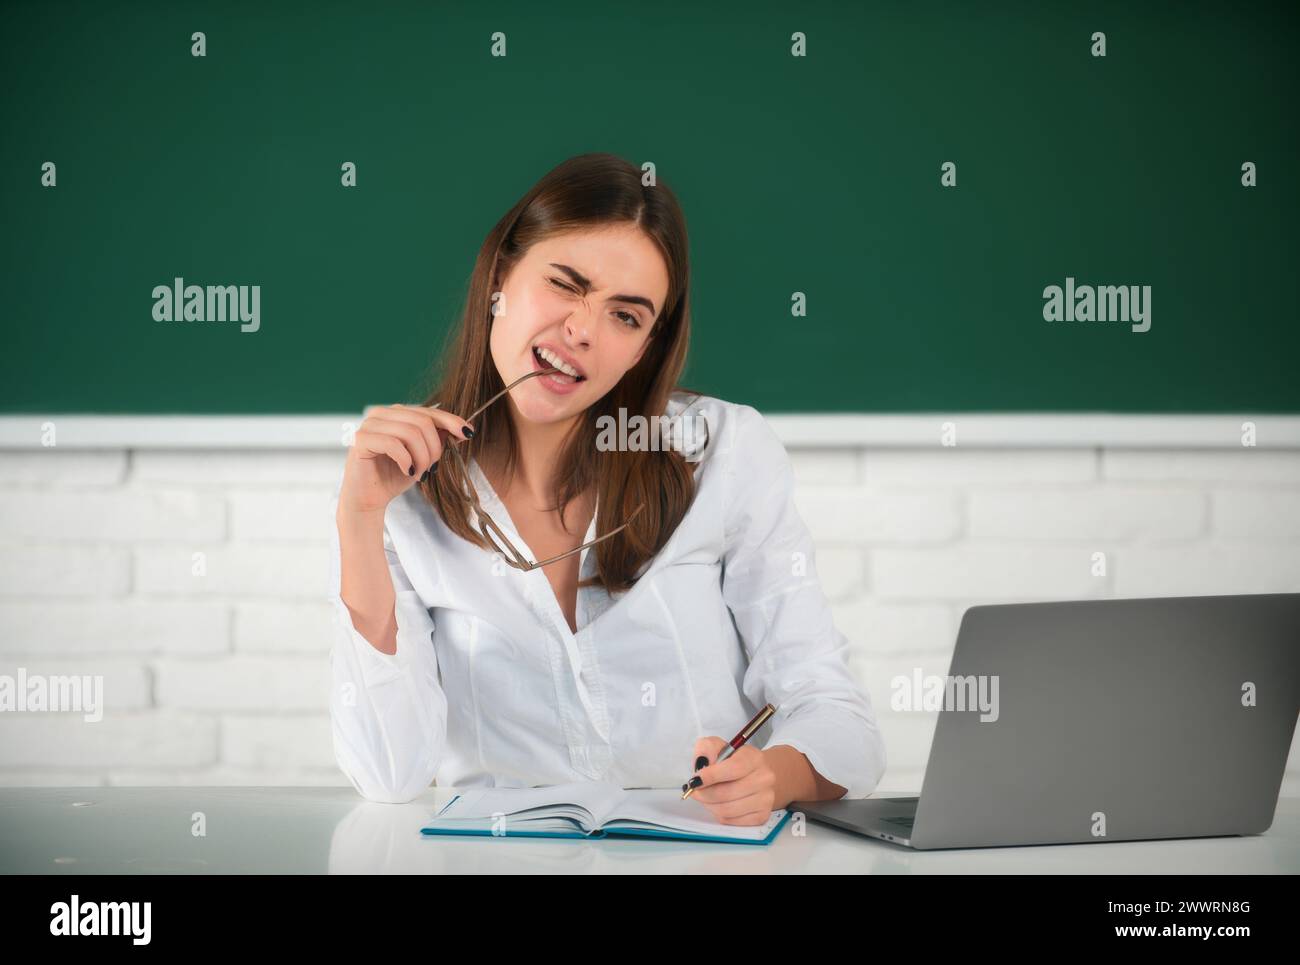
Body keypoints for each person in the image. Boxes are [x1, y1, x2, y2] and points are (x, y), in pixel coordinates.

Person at [329, 153, 886, 823]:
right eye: (565, 284)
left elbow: (840, 720)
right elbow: (390, 774)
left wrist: (770, 775)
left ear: (645, 347)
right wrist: (359, 522)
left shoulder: (724, 454)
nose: (582, 331)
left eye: (626, 316)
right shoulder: (404, 492)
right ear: (501, 276)